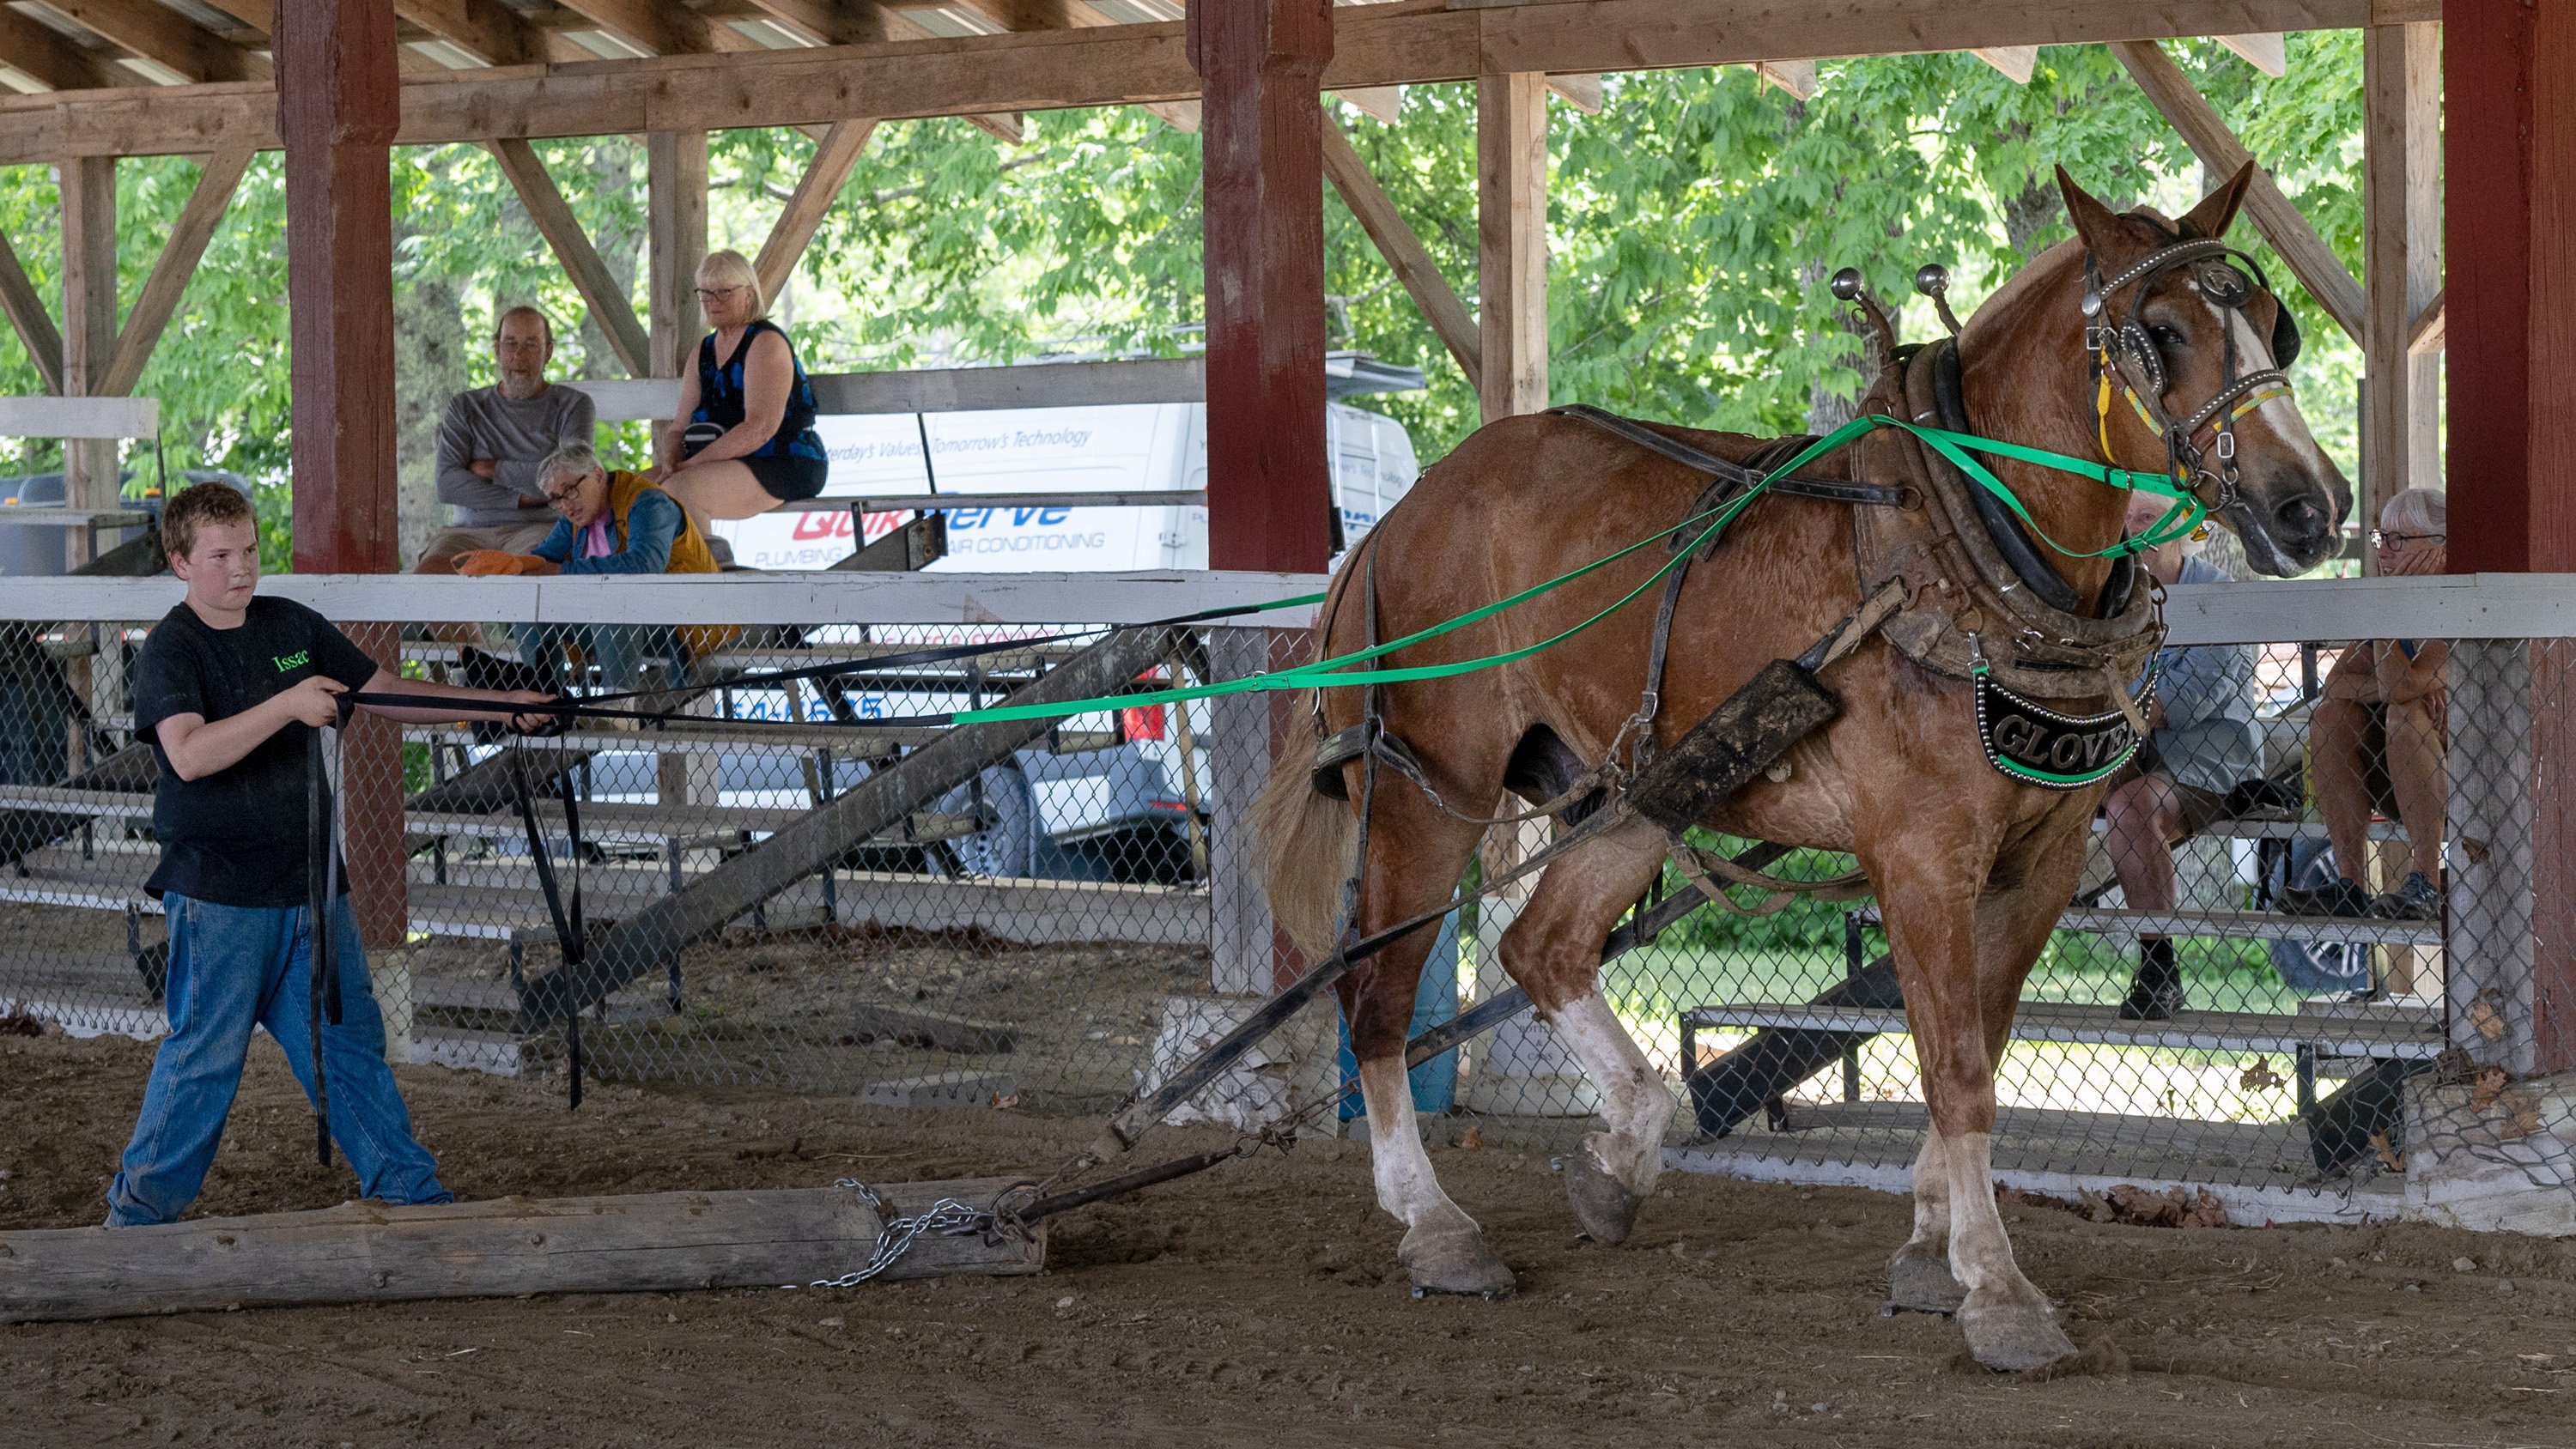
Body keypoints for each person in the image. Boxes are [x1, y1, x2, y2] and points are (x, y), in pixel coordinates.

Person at [107, 482, 556, 1228]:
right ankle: (138, 1217)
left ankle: (411, 1195)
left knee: (348, 1046)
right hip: (220, 893)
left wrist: (495, 708)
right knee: (205, 1059)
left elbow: (381, 691)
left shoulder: (292, 624)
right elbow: (185, 754)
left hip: (314, 887)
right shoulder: (173, 647)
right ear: (181, 562)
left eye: (249, 550)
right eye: (220, 556)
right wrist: (285, 705)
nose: (241, 569)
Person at [2099, 491, 2263, 1020]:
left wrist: (2106, 708)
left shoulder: (2219, 593)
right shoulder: (2111, 598)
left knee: (2127, 805)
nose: (2132, 532)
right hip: (2126, 749)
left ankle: (2158, 963)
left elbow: (2182, 705)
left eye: (2145, 518)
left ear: (2180, 527)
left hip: (2209, 758)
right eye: (2122, 521)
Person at [455, 440, 722, 692]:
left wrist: (561, 572)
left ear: (597, 476)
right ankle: (544, 703)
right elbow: (545, 558)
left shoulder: (648, 502)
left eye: (570, 491)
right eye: (556, 499)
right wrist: (511, 566)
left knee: (611, 608)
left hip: (681, 625)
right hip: (613, 627)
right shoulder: (576, 517)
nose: (566, 505)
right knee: (529, 612)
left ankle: (620, 711)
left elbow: (644, 565)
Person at [2306, 488, 2448, 921]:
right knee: (2331, 716)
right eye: (2380, 538)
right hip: (2397, 777)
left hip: (2464, 780)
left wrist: (2397, 687)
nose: (2384, 552)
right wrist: (2393, 687)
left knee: (2405, 713)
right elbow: (2334, 686)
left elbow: (2401, 688)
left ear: (2441, 547)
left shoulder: (2457, 604)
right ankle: (2349, 884)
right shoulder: (2395, 603)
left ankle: (2428, 880)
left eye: (2399, 540)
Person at [656, 249, 829, 527]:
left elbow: (759, 429)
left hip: (783, 459)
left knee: (681, 491)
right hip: (713, 461)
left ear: (749, 293)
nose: (713, 301)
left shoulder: (765, 342)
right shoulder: (703, 351)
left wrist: (690, 466)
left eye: (724, 291)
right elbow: (678, 428)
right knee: (631, 493)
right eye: (706, 293)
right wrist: (671, 460)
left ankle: (708, 567)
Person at [417, 306, 596, 574]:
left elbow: (571, 480)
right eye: (510, 343)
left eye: (531, 345)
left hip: (540, 528)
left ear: (548, 352)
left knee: (540, 572)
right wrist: (523, 498)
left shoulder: (573, 405)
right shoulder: (466, 406)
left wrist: (494, 469)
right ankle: (465, 621)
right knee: (430, 576)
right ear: (497, 350)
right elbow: (447, 485)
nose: (518, 355)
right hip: (468, 531)